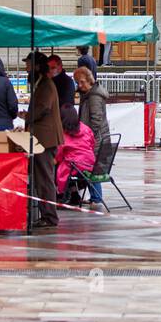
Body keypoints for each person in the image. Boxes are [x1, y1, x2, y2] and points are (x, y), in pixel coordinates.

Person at [29, 53, 65, 228]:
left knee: (45, 179)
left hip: (46, 138)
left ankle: (50, 216)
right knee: (42, 178)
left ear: (36, 66)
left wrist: (28, 117)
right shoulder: (41, 84)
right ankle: (46, 214)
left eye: (29, 65)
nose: (27, 68)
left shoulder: (46, 85)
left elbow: (43, 108)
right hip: (43, 137)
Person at [73, 66, 111, 205]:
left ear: (89, 80)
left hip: (96, 139)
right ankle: (95, 196)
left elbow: (96, 119)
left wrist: (88, 137)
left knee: (91, 167)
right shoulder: (89, 93)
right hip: (95, 137)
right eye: (78, 82)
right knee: (90, 167)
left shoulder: (94, 96)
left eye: (82, 82)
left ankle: (96, 197)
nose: (80, 85)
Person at [55, 107, 97, 203]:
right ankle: (74, 195)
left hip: (74, 166)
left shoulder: (63, 133)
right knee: (68, 167)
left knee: (58, 167)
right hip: (90, 165)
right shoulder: (86, 128)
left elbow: (59, 153)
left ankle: (63, 195)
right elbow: (92, 144)